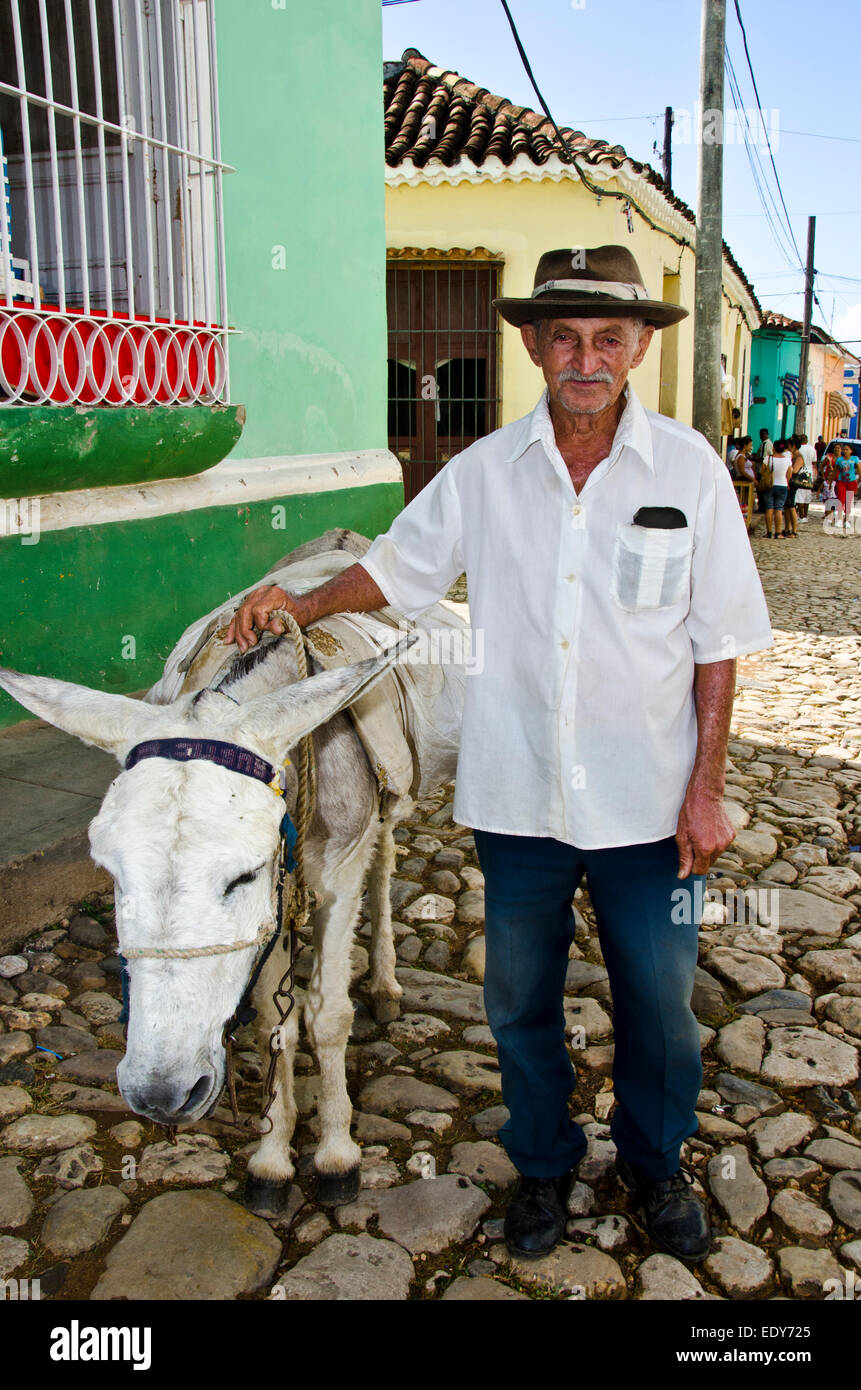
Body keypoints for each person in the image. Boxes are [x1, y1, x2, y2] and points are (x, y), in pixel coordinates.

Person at [227, 244, 773, 1267]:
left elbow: (718, 643)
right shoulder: (483, 473)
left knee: (659, 1002)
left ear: (640, 347)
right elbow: (394, 573)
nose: (585, 356)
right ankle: (545, 1165)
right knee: (517, 1000)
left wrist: (708, 791)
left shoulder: (692, 474)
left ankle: (657, 1164)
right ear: (530, 344)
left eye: (607, 336)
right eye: (563, 336)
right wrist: (300, 603)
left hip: (651, 805)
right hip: (518, 796)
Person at [767, 438, 793, 538]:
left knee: (769, 508)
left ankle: (769, 532)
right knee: (778, 509)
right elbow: (789, 474)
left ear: (774, 448)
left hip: (770, 485)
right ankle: (778, 533)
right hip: (782, 485)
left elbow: (764, 471)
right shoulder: (787, 460)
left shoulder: (768, 459)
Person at [783, 436, 803, 538]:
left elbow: (794, 470)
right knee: (786, 506)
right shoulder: (791, 456)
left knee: (791, 507)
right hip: (788, 482)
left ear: (793, 446)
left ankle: (794, 530)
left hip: (793, 482)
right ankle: (787, 528)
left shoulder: (798, 457)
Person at [837, 443, 860, 533]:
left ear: (851, 451)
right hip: (841, 482)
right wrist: (830, 480)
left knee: (848, 501)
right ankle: (839, 519)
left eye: (847, 449)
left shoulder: (855, 459)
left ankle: (846, 520)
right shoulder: (840, 460)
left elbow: (860, 470)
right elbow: (836, 470)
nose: (845, 451)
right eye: (844, 449)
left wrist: (857, 482)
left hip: (851, 482)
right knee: (840, 500)